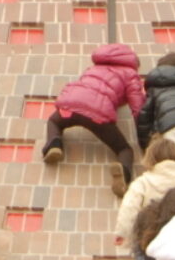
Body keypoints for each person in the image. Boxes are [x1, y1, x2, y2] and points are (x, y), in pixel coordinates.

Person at [44, 42, 145, 197]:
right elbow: (137, 106)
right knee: (124, 149)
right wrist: (143, 131)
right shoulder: (130, 73)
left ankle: (54, 143)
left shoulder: (93, 68)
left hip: (70, 107)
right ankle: (123, 174)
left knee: (54, 121)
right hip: (98, 117)